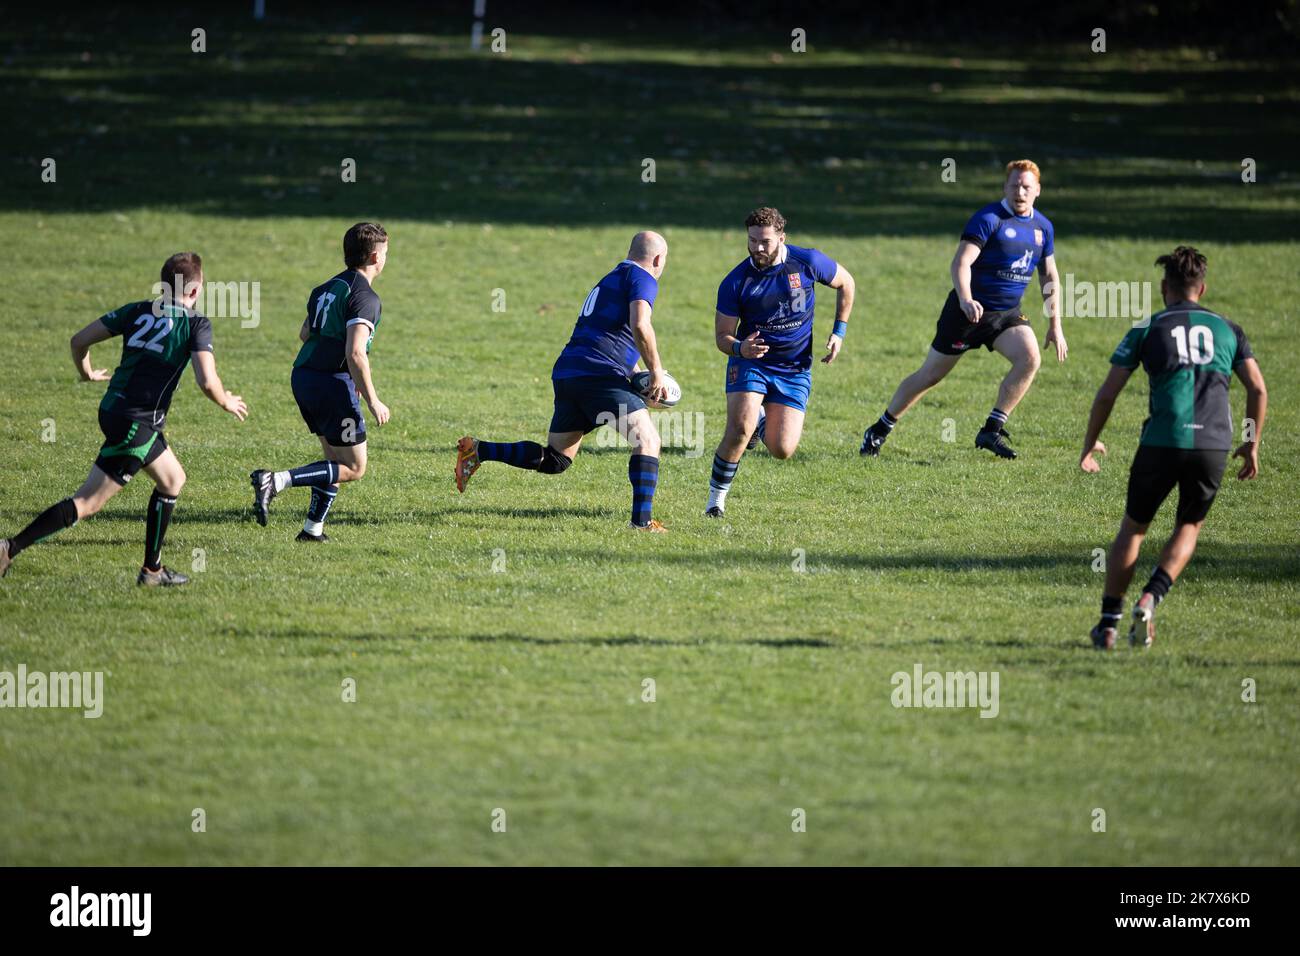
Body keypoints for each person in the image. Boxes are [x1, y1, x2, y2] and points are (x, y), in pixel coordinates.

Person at [1081, 246, 1267, 649]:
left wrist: (1090, 441)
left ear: (1165, 287)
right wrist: (1250, 442)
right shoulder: (1228, 329)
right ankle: (1152, 596)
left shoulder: (1147, 328)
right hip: (1212, 446)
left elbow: (1107, 394)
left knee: (1133, 528)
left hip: (1162, 441)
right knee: (1188, 526)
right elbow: (1257, 387)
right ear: (1203, 287)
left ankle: (1108, 625)